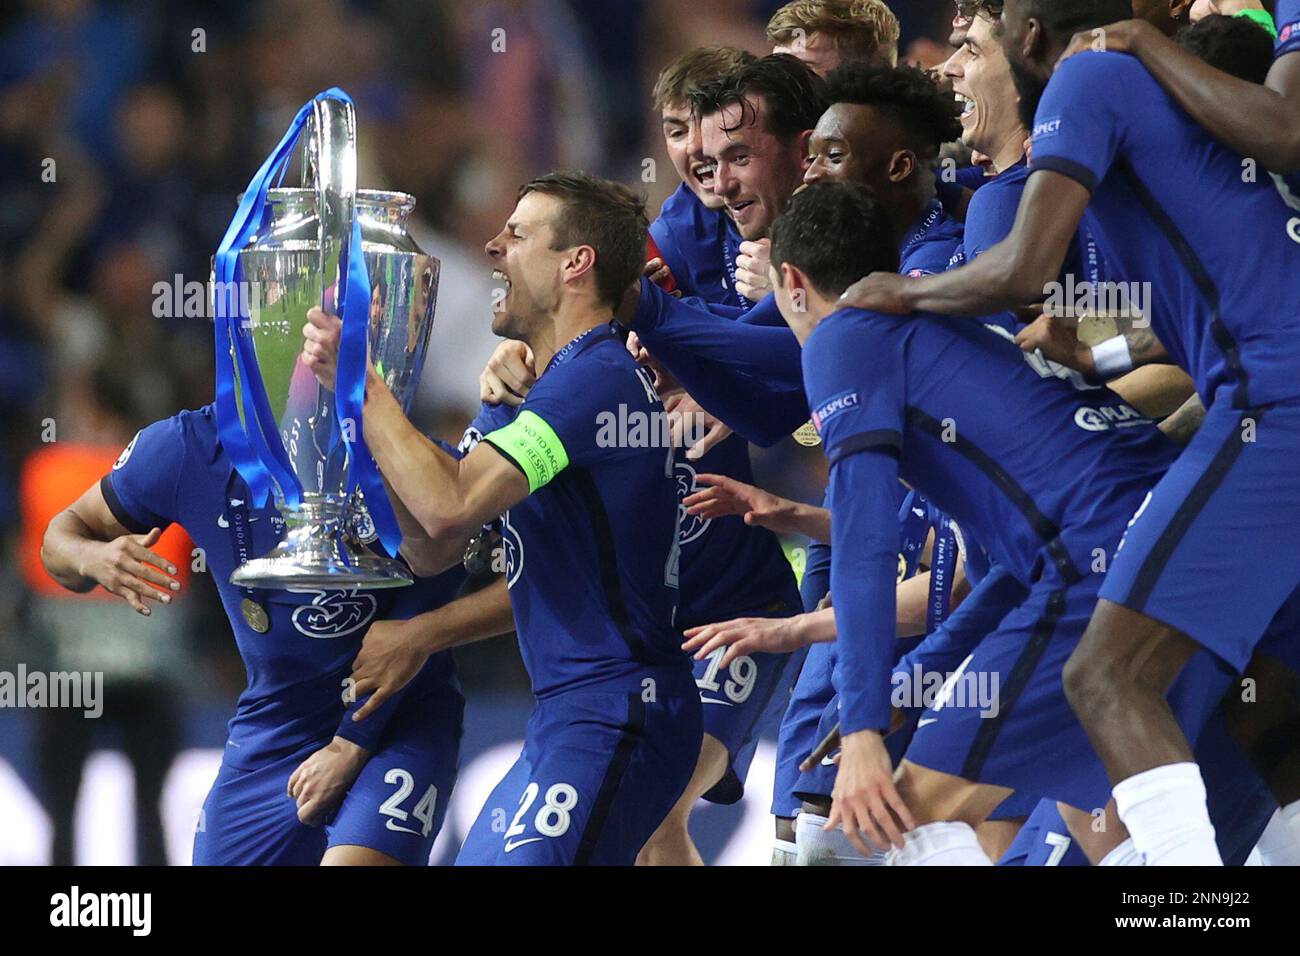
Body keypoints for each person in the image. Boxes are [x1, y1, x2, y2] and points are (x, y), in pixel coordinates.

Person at [842, 0, 1300, 866]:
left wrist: (901, 292)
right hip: (1267, 392)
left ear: (1027, 36)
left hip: (1275, 406)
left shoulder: (1091, 77)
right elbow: (1172, 317)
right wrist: (1099, 350)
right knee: (1266, 700)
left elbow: (1022, 272)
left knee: (1103, 676)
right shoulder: (1174, 129)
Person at [303, 171, 702, 865]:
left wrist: (365, 385)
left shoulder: (596, 379)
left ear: (576, 263)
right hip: (563, 716)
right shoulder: (531, 390)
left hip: (621, 709)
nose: (492, 247)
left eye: (517, 235)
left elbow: (449, 501)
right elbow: (436, 543)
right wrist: (362, 422)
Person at [39, 404, 494, 865]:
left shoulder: (393, 447)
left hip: (394, 718)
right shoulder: (184, 447)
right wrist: (90, 559)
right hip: (277, 720)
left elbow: (504, 570)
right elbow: (60, 538)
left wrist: (353, 743)